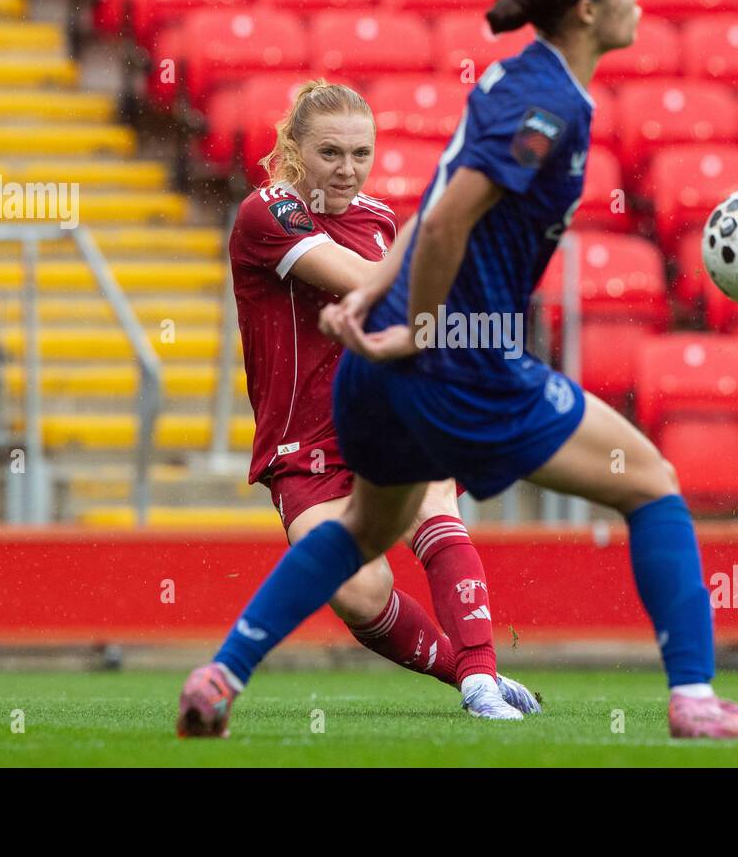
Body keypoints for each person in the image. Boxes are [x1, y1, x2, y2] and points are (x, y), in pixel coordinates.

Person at [179, 0, 738, 741]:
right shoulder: (549, 103)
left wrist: (382, 310)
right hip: (462, 362)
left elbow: (427, 211)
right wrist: (419, 327)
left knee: (365, 535)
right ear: (585, 7)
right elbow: (450, 218)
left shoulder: (513, 80)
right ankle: (694, 699)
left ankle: (224, 674)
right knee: (652, 483)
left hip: (384, 376)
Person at [176, 80, 539, 737]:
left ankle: (483, 676)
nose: (346, 169)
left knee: (436, 506)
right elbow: (360, 278)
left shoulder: (378, 219)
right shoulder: (269, 213)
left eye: (360, 154)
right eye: (330, 153)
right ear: (295, 150)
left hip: (385, 416)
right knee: (359, 591)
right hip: (302, 444)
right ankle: (467, 673)